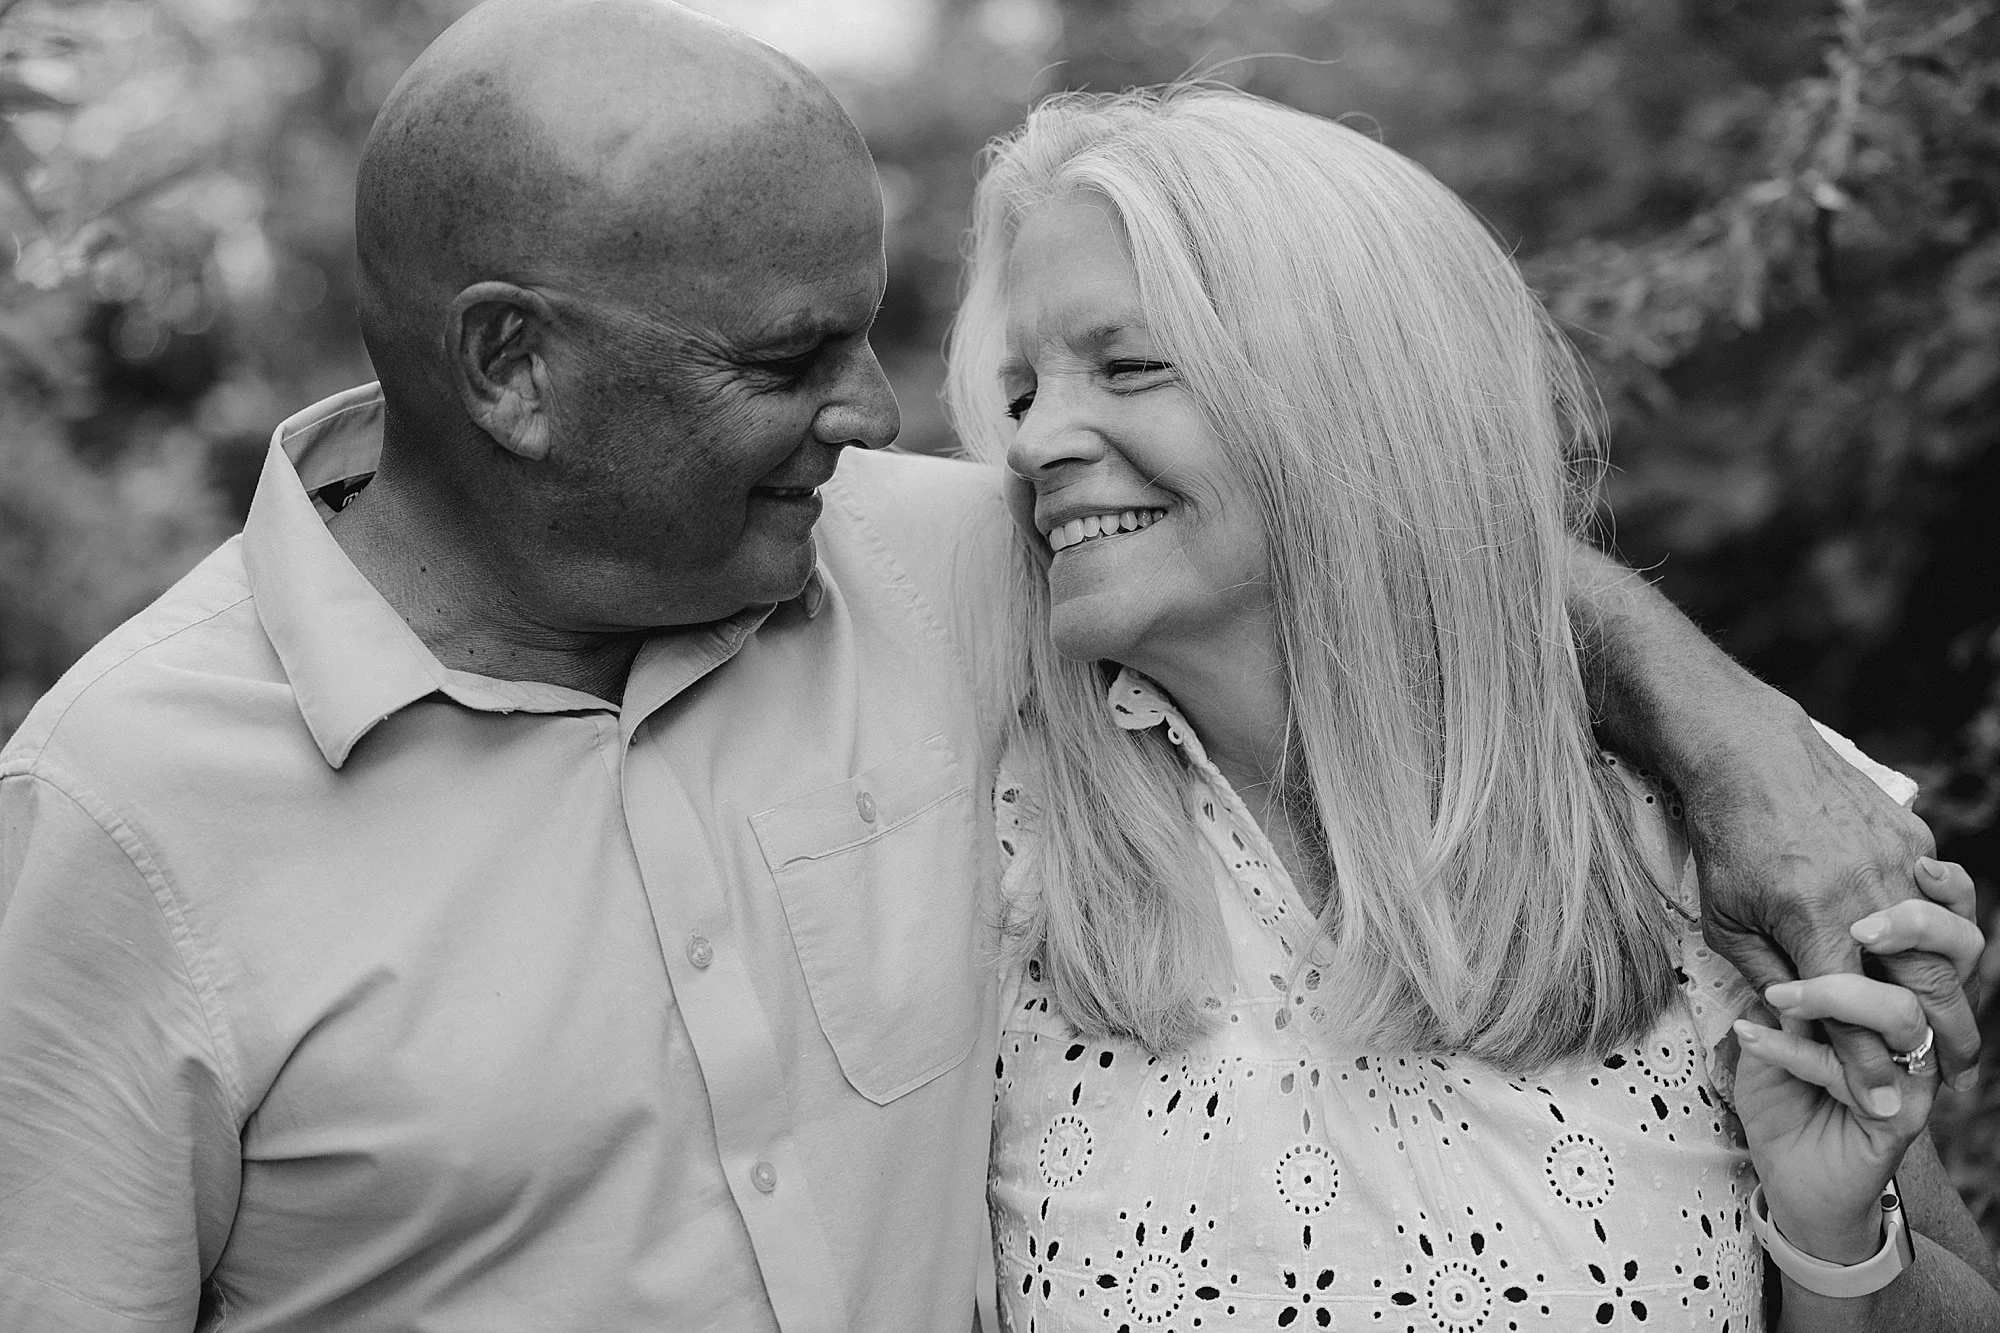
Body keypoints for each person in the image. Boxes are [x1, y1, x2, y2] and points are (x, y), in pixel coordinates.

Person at [0, 2, 1975, 1329]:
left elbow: (1376, 532)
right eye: (785, 360)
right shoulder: (128, 808)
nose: (912, 425)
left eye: (1117, 366)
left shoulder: (920, 560)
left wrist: (1739, 744)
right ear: (513, 369)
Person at [944, 87, 2000, 1329]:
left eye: (1127, 366)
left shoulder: (1705, 842)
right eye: (1021, 392)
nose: (1034, 443)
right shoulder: (971, 847)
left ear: (1354, 398)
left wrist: (1832, 1242)